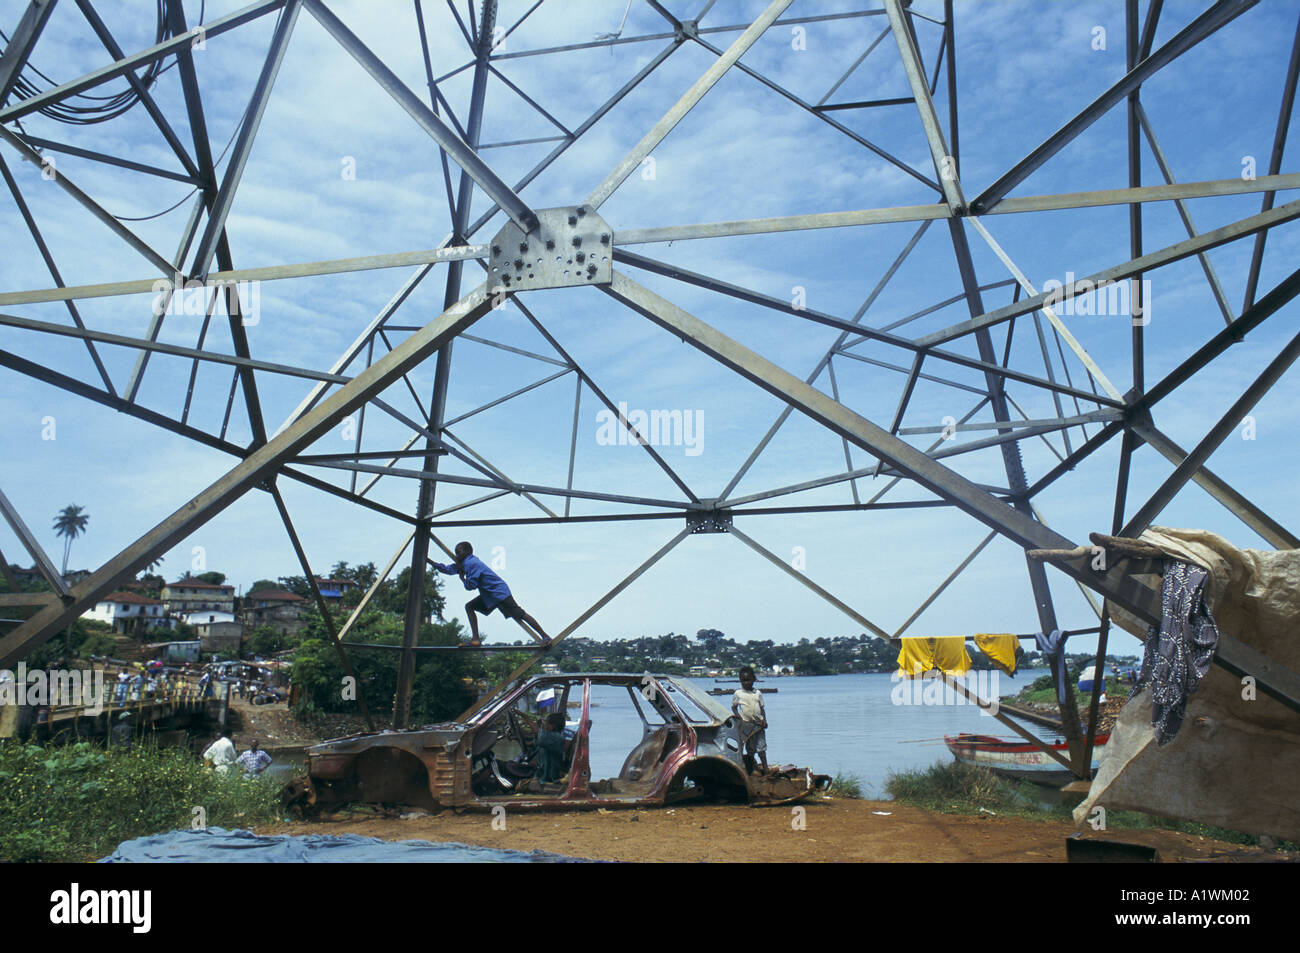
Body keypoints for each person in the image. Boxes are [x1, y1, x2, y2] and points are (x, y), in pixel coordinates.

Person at [432, 541, 551, 647]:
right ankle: (476, 639)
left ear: (467, 552)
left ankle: (545, 636)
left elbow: (471, 586)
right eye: (456, 553)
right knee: (469, 607)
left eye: (458, 552)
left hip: (498, 592)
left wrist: (462, 578)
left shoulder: (471, 563)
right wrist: (431, 562)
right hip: (490, 595)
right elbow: (448, 569)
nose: (457, 555)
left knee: (520, 614)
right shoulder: (464, 563)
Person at [731, 666, 769, 775]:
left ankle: (766, 768)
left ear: (753, 679)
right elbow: (734, 707)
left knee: (761, 748)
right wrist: (739, 718)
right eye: (743, 681)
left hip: (758, 725)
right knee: (750, 749)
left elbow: (762, 709)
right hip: (746, 725)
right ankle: (753, 767)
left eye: (748, 680)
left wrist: (764, 721)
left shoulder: (757, 693)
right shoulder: (738, 693)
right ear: (740, 681)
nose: (746, 683)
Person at [533, 713, 567, 783]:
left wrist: (524, 716)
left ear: (553, 726)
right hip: (540, 772)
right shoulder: (549, 737)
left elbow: (539, 735)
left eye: (547, 723)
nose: (545, 725)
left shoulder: (557, 738)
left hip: (548, 777)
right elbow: (534, 742)